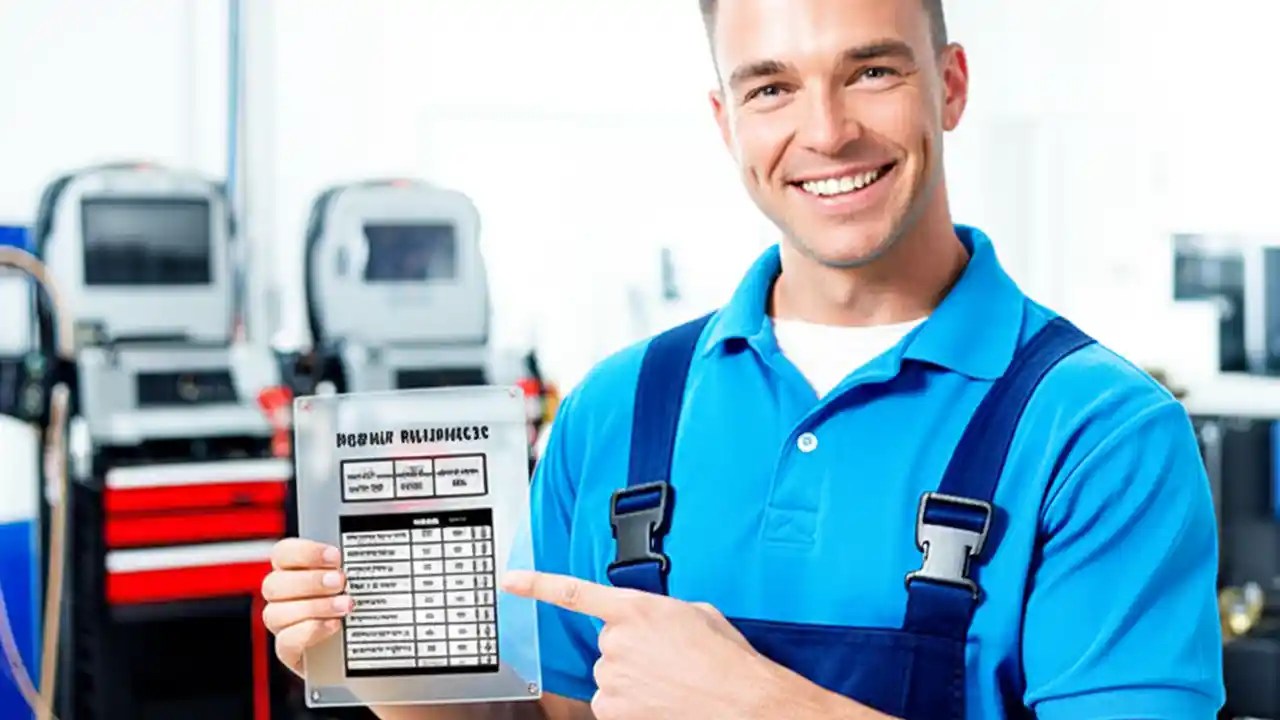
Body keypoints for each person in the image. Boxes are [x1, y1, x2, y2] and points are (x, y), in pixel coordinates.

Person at [260, 0, 1226, 717]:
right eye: (772, 87)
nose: (827, 130)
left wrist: (758, 705)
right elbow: (539, 713)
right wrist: (383, 664)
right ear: (727, 122)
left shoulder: (1100, 434)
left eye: (873, 72)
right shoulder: (616, 408)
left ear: (953, 85)